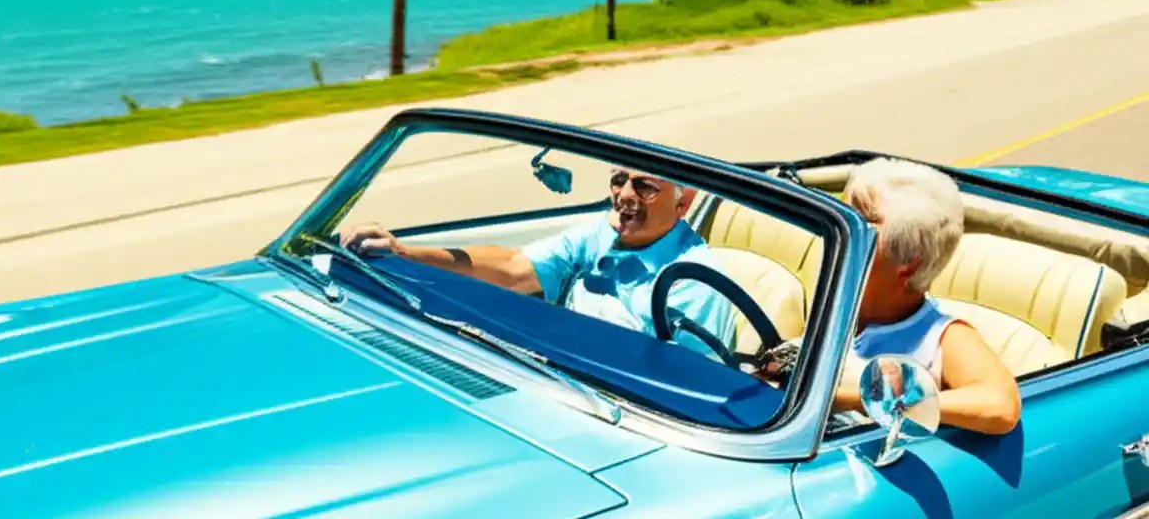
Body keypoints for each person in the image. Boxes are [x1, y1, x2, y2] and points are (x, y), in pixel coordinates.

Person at [341, 166, 739, 358]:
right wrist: (404, 253)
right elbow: (514, 267)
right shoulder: (600, 232)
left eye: (646, 186)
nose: (624, 195)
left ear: (683, 203)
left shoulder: (694, 280)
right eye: (618, 180)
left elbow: (688, 382)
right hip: (552, 369)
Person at [829, 157, 1022, 435]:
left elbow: (1001, 406)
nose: (842, 232)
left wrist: (860, 398)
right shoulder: (838, 302)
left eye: (862, 224)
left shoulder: (940, 336)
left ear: (909, 263)